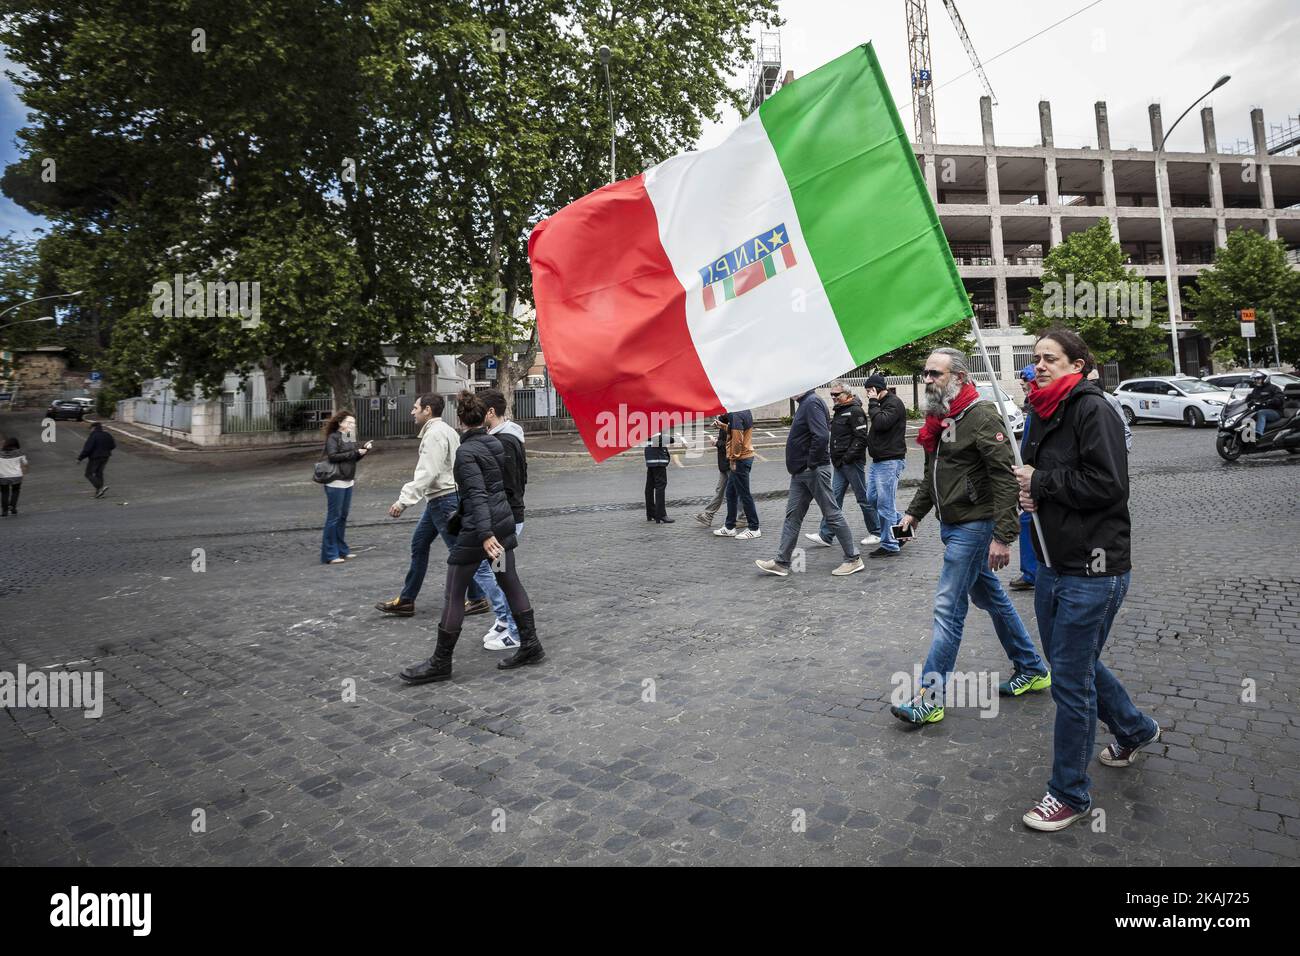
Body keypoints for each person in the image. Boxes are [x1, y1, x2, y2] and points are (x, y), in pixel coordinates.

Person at [1014, 328, 1159, 832]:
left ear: (1077, 365)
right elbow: (1037, 476)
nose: (1040, 365)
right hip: (1054, 563)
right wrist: (1029, 492)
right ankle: (1135, 728)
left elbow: (1108, 486)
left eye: (1050, 358)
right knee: (1072, 662)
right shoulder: (1039, 409)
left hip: (1094, 569)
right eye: (1036, 359)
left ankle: (1069, 794)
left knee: (1071, 680)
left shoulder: (1093, 410)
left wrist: (1043, 483)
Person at [890, 348, 1049, 725]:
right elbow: (935, 477)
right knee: (991, 597)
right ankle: (1032, 667)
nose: (927, 380)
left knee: (949, 607)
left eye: (935, 374)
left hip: (974, 527)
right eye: (926, 373)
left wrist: (1003, 536)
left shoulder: (980, 415)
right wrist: (913, 515)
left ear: (958, 376)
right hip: (953, 524)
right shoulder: (940, 417)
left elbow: (1006, 477)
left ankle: (930, 696)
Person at [399, 390, 543, 684]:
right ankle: (530, 645)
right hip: (500, 529)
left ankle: (441, 662)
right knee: (509, 580)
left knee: (454, 591)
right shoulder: (496, 443)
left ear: (461, 420)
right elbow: (498, 489)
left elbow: (477, 493)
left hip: (480, 533)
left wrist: (485, 534)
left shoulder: (466, 452)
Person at [755, 389, 862, 577]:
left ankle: (853, 559)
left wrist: (811, 463)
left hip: (812, 471)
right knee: (792, 516)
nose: (789, 391)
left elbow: (821, 436)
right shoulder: (807, 404)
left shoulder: (812, 403)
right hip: (801, 473)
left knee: (832, 514)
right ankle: (782, 562)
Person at [375, 394, 459, 616]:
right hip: (439, 499)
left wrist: (404, 501)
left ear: (428, 410)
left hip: (443, 499)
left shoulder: (434, 435)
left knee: (459, 551)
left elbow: (427, 473)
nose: (412, 412)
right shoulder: (448, 431)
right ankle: (407, 599)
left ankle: (479, 596)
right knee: (419, 544)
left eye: (415, 408)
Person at [476, 389, 528, 651]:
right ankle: (506, 620)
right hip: (507, 515)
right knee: (498, 572)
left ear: (490, 412)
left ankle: (515, 630)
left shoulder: (504, 442)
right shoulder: (505, 437)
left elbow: (509, 484)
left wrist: (502, 516)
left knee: (501, 573)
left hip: (505, 517)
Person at [806, 382, 871, 549]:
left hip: (851, 463)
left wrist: (847, 458)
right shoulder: (840, 410)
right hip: (840, 464)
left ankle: (876, 531)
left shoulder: (855, 411)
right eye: (832, 395)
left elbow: (861, 438)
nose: (834, 397)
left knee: (863, 498)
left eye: (837, 394)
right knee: (834, 499)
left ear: (848, 394)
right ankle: (826, 535)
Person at [862, 373, 908, 557]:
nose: (867, 394)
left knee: (884, 504)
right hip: (879, 461)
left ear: (877, 389)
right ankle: (904, 529)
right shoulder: (882, 403)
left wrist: (873, 402)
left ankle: (890, 545)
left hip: (890, 461)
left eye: (869, 390)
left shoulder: (893, 403)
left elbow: (880, 423)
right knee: (872, 498)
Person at [320, 410, 371, 565]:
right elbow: (333, 456)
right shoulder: (333, 437)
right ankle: (329, 553)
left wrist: (363, 451)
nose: (352, 425)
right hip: (335, 481)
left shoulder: (349, 436)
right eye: (349, 422)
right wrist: (355, 452)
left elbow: (352, 458)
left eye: (354, 423)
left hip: (348, 480)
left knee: (342, 517)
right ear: (340, 423)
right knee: (334, 518)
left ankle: (342, 550)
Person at [1009, 365, 1038, 592]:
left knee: (1029, 522)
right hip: (1030, 474)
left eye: (1025, 384)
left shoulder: (1039, 408)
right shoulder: (1034, 407)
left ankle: (1032, 573)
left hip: (1037, 477)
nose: (1023, 388)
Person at [713, 408, 760, 539]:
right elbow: (736, 431)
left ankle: (754, 528)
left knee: (744, 494)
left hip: (741, 459)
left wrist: (733, 459)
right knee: (731, 493)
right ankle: (729, 527)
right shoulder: (745, 410)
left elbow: (737, 439)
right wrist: (722, 426)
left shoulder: (736, 413)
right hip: (744, 457)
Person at [694, 414, 746, 531]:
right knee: (720, 490)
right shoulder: (725, 421)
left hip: (730, 462)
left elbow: (733, 443)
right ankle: (708, 515)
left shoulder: (732, 421)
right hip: (724, 463)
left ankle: (743, 518)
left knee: (737, 491)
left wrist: (716, 443)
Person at [1086, 368, 1132, 450]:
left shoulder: (1110, 399)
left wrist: (1125, 450)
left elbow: (1124, 428)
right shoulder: (1079, 401)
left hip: (1110, 448)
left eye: (1093, 382)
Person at [644, 431, 683, 523]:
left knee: (649, 487)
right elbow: (659, 439)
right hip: (658, 459)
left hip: (651, 459)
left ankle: (651, 513)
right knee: (660, 487)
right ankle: (660, 514)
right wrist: (670, 438)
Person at [77, 422, 116, 498]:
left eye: (90, 429)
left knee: (88, 474)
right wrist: (105, 450)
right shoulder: (107, 435)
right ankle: (99, 493)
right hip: (105, 457)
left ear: (94, 428)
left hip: (95, 457)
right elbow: (113, 446)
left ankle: (100, 488)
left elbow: (87, 449)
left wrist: (80, 458)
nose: (90, 430)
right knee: (99, 473)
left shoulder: (93, 436)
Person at [1245, 369, 1285, 437]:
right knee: (1247, 415)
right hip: (1258, 410)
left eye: (1258, 378)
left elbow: (1280, 399)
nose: (1256, 380)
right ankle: (1245, 435)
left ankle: (1258, 434)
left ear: (1265, 378)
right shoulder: (1256, 389)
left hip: (1275, 412)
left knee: (1262, 412)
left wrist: (1270, 401)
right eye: (1255, 379)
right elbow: (1250, 399)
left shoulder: (1274, 388)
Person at [0, 436, 28, 516]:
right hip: (16, 475)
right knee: (15, 491)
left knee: (4, 492)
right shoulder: (19, 452)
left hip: (3, 476)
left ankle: (4, 511)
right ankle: (13, 507)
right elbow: (25, 463)